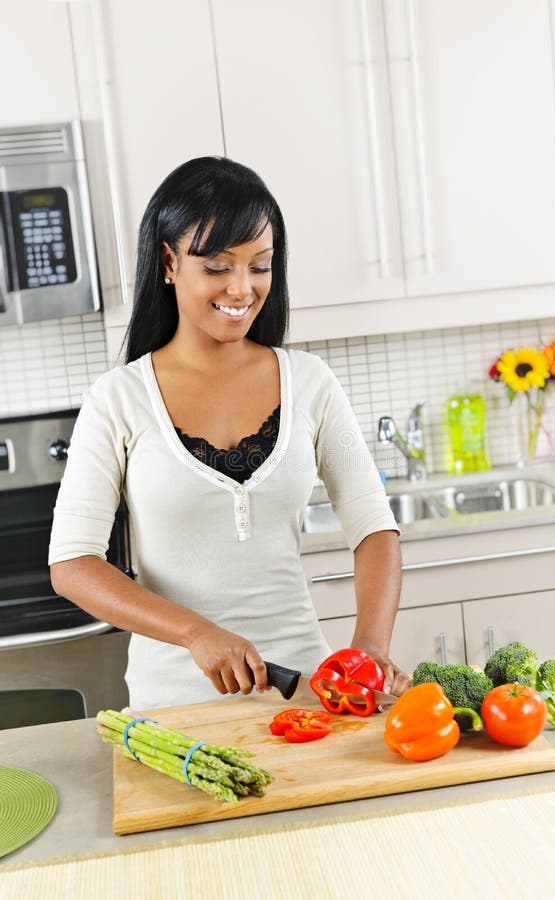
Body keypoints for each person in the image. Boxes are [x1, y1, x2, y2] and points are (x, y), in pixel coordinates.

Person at [49, 156, 409, 710]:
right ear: (170, 262)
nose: (242, 288)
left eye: (260, 265)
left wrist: (370, 646)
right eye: (218, 267)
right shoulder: (116, 401)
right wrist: (197, 632)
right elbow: (73, 565)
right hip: (174, 706)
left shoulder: (310, 383)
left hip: (309, 694)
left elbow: (373, 527)